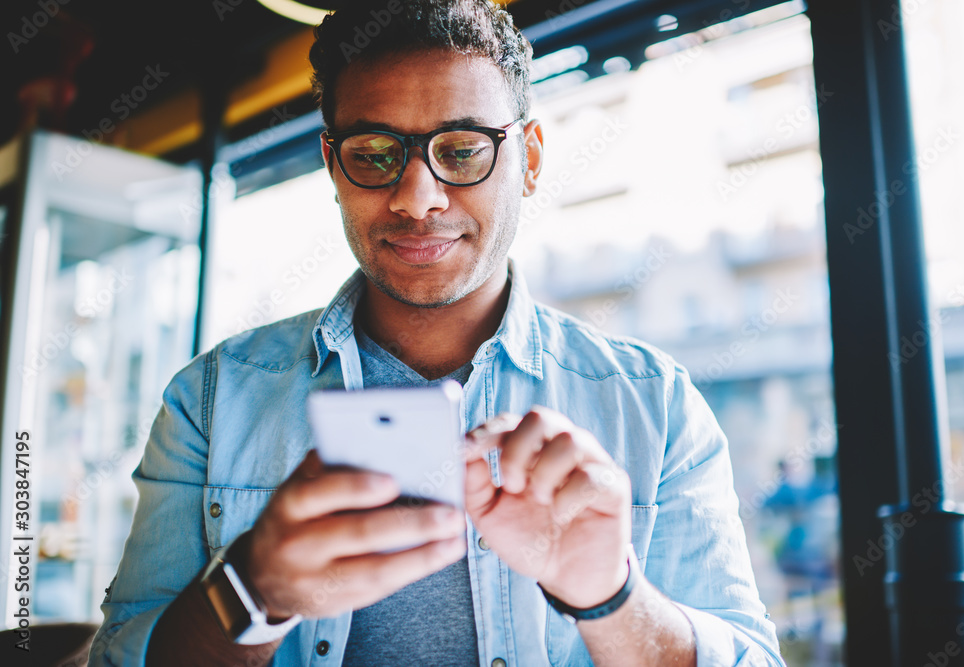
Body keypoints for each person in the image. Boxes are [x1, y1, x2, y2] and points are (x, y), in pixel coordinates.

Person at [90, 1, 784, 665]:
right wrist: (252, 591)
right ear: (334, 164)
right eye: (372, 152)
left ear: (531, 158)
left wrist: (611, 598)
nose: (417, 198)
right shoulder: (210, 402)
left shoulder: (655, 405)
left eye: (460, 149)